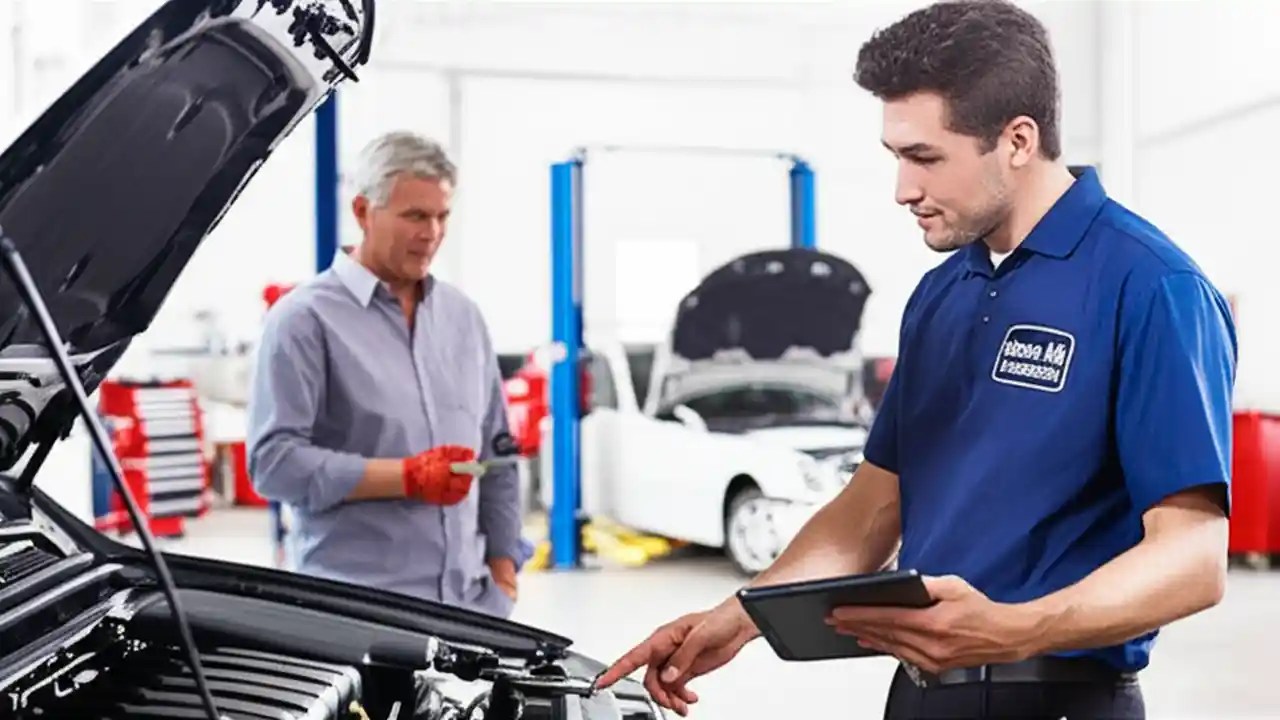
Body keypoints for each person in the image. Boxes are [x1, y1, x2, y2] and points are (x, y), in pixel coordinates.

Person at [594, 2, 1236, 718]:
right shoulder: (942, 293)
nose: (903, 189)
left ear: (1018, 140)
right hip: (921, 697)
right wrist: (742, 613)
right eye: (896, 156)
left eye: (925, 157)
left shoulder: (1150, 287)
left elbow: (1193, 560)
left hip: (1059, 699)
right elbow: (873, 506)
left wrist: (1012, 629)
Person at [246, 130, 522, 620]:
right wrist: (407, 478)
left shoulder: (463, 318)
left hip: (469, 610)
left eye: (442, 216)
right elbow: (273, 464)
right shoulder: (304, 320)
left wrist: (504, 568)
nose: (432, 232)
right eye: (415, 215)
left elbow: (498, 453)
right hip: (357, 614)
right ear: (361, 212)